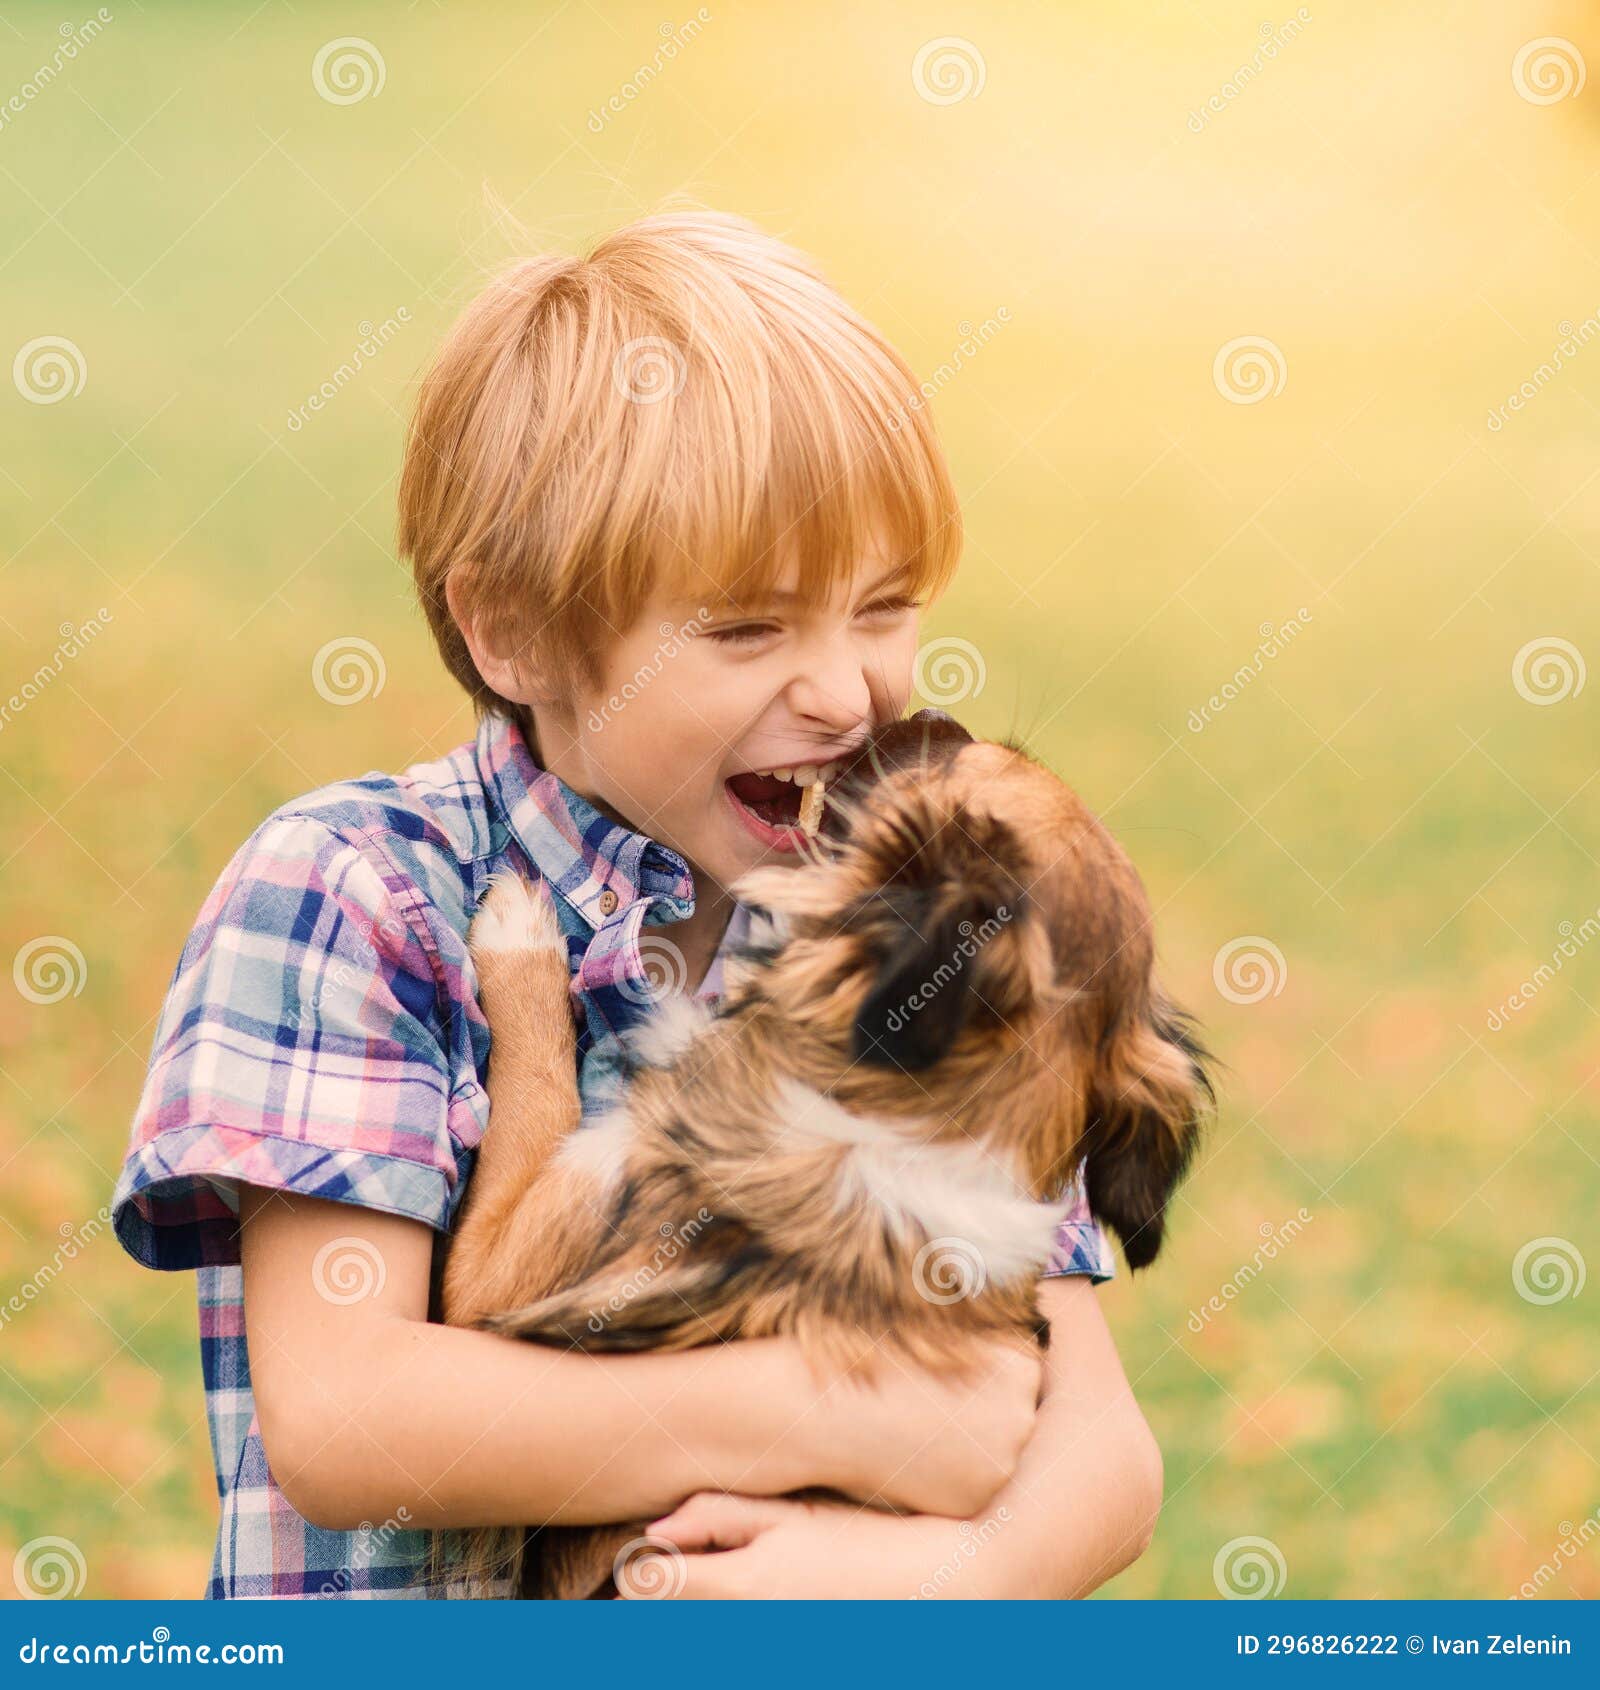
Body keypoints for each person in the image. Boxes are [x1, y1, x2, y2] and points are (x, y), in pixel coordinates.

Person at [110, 209, 1162, 1599]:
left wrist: (960, 1566)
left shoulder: (910, 946)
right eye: (745, 627)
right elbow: (351, 1416)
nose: (846, 692)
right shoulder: (358, 893)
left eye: (885, 606)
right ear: (516, 631)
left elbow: (1098, 1442)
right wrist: (831, 1408)